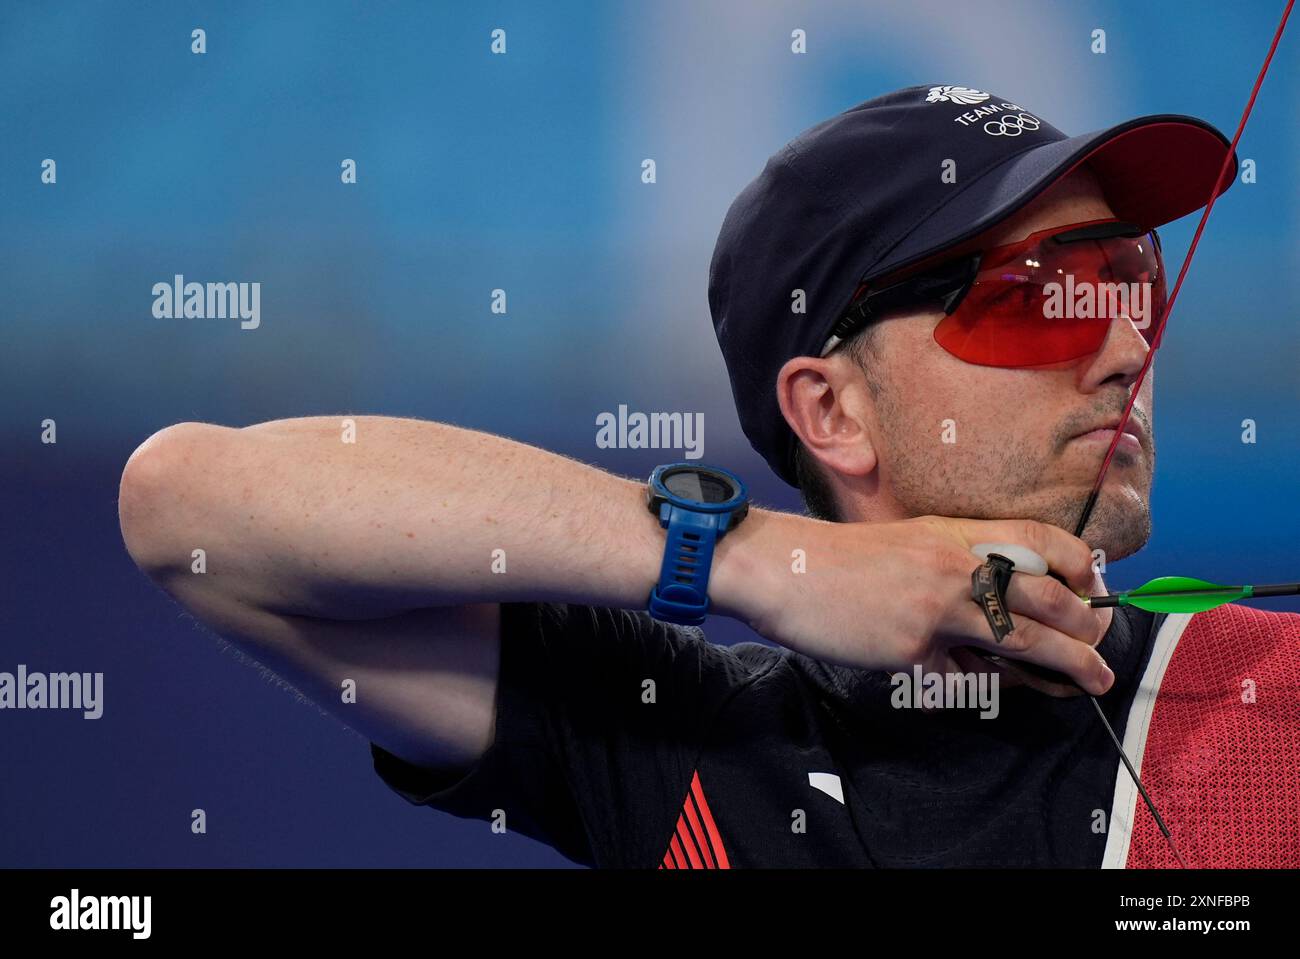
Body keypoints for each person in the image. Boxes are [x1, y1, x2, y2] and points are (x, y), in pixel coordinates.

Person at [117, 84, 1299, 868]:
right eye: (1041, 292)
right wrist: (754, 560)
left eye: (1127, 279)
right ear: (830, 411)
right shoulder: (694, 744)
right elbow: (188, 504)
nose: (1125, 344)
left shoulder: (1266, 691)